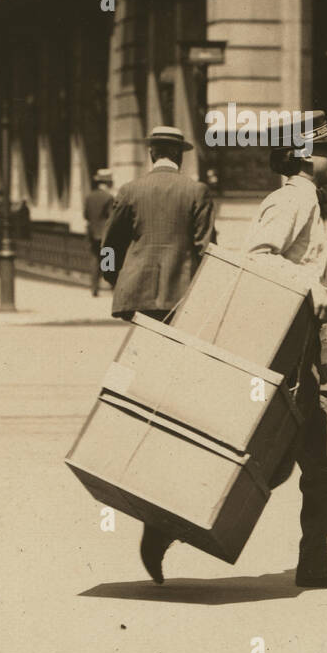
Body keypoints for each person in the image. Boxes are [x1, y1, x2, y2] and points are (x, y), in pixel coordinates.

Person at [240, 110, 327, 589]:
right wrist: (310, 286)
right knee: (310, 455)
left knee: (320, 455)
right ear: (304, 156)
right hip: (295, 344)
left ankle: (322, 561)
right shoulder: (292, 199)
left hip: (305, 343)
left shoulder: (307, 200)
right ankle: (320, 561)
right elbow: (259, 255)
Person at [101, 125, 216, 583]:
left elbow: (109, 245)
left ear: (151, 153)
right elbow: (206, 249)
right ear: (180, 156)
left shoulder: (130, 189)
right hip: (181, 300)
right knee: (178, 393)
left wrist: (119, 281)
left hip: (138, 299)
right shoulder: (196, 190)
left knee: (146, 387)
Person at [84, 169, 114, 296]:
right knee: (109, 259)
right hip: (106, 233)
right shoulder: (108, 197)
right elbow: (112, 217)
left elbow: (85, 215)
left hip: (92, 233)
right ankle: (111, 287)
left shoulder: (89, 196)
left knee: (95, 259)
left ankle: (94, 289)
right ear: (108, 182)